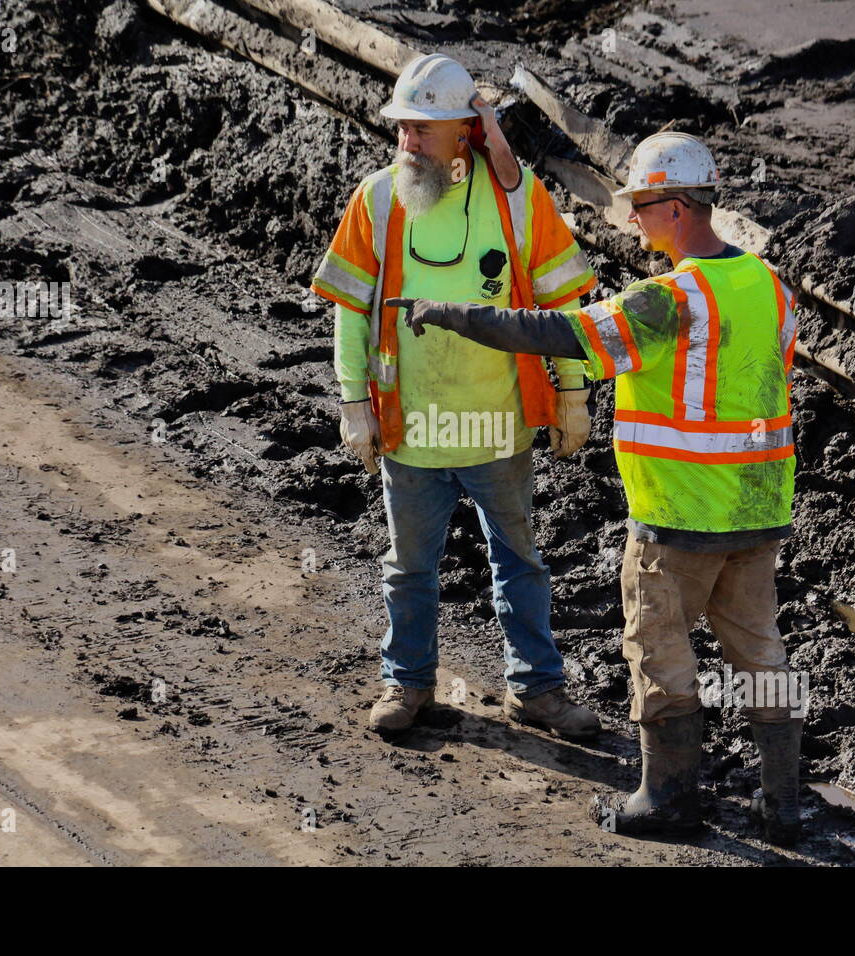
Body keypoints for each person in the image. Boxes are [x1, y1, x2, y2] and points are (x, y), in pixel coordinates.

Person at [386, 132, 805, 846]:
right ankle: (784, 805)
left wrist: (451, 312)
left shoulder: (672, 299)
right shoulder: (768, 286)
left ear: (675, 206)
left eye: (640, 207)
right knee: (762, 654)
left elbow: (561, 332)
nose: (633, 222)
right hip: (758, 511)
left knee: (661, 654)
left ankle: (666, 801)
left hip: (678, 518)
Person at [310, 54, 603, 739]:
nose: (407, 142)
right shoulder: (378, 199)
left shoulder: (518, 199)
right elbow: (351, 311)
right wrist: (355, 405)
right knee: (408, 568)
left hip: (498, 427)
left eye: (421, 129)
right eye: (403, 128)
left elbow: (563, 303)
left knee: (520, 563)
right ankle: (407, 683)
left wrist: (571, 397)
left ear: (467, 129)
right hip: (410, 427)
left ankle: (535, 689)